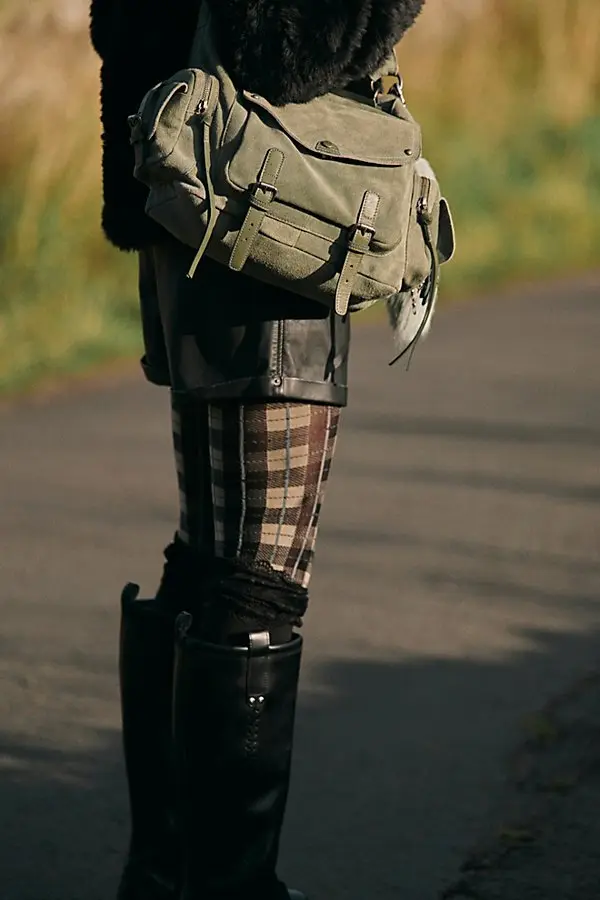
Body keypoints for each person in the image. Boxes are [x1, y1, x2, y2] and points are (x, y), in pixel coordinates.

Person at [89, 2, 425, 898]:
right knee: (258, 580)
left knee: (214, 557)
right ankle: (224, 887)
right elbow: (288, 44)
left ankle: (168, 873)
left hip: (196, 185)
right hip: (270, 199)